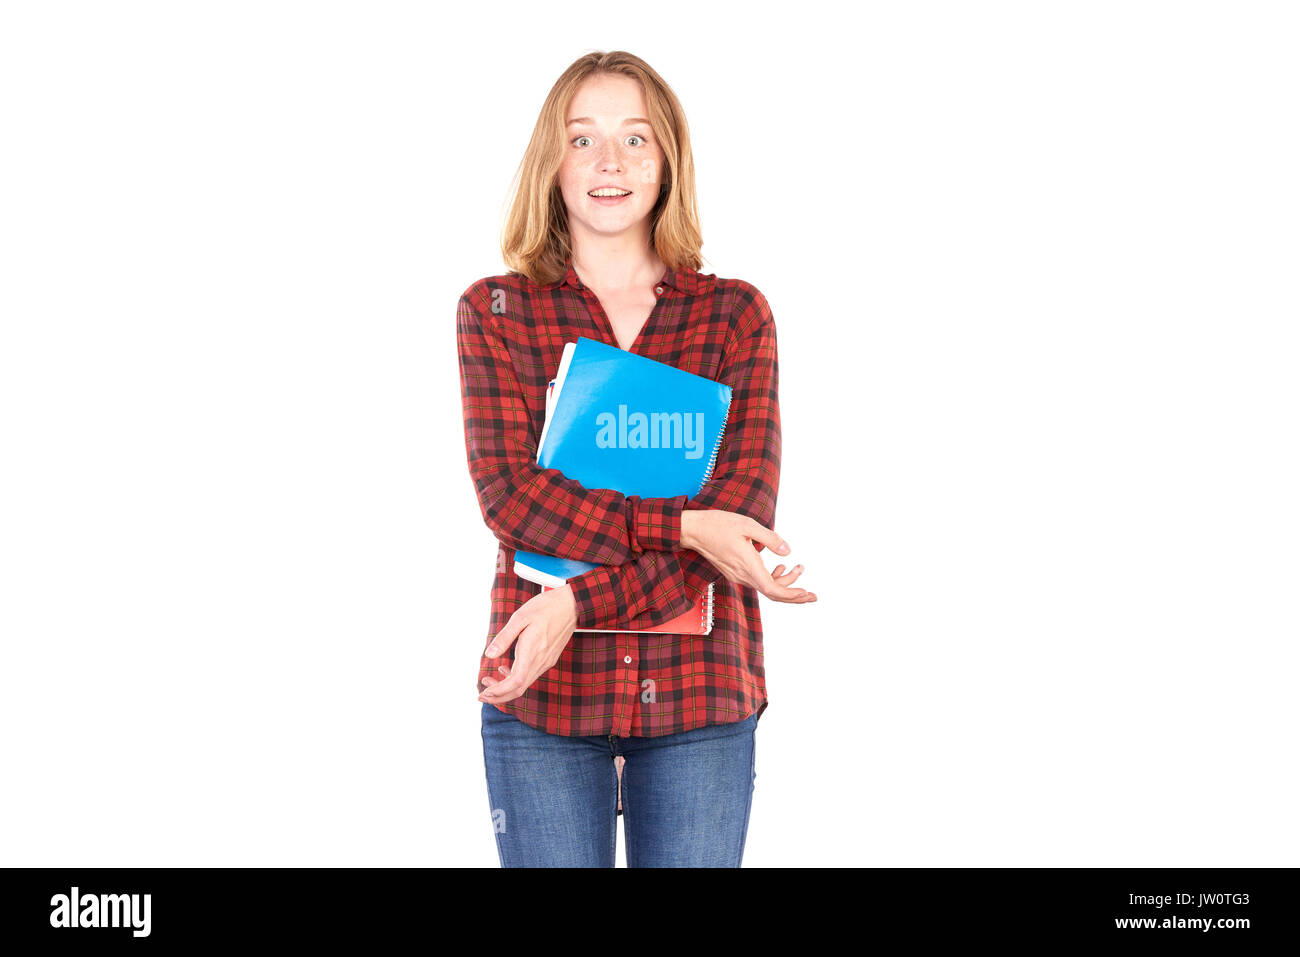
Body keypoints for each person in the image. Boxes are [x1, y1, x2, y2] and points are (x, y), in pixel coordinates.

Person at [456, 50, 817, 868]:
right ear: (552, 162)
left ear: (669, 163)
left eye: (635, 139)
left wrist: (578, 603)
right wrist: (684, 524)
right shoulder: (497, 312)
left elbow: (738, 531)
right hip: (542, 698)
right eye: (582, 140)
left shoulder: (733, 317)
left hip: (699, 698)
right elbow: (514, 501)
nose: (609, 163)